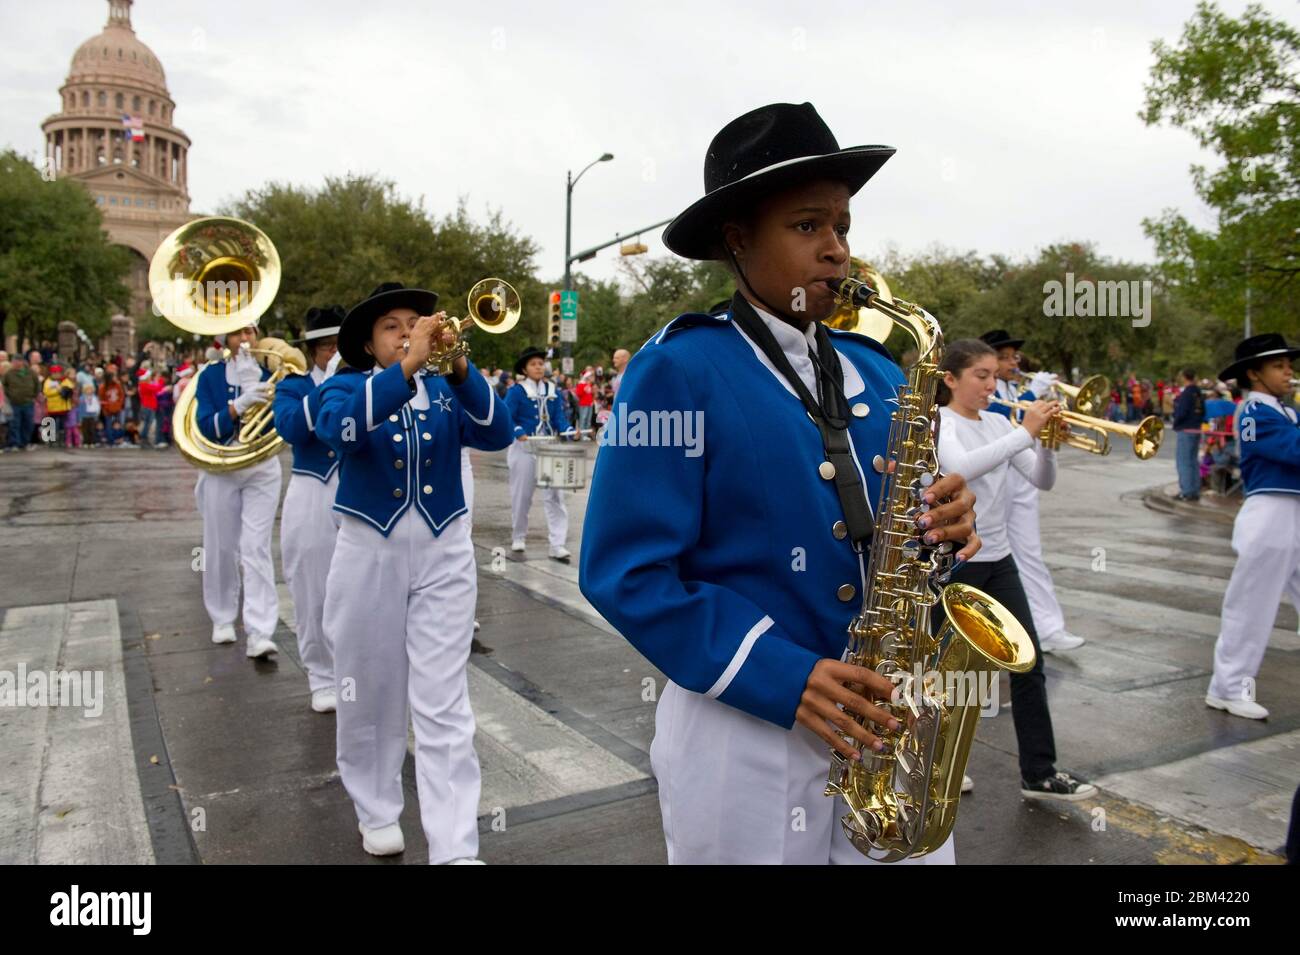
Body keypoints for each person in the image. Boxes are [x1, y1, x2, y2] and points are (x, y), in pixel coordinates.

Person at [580, 102, 980, 864]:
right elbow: (623, 572)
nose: (838, 252)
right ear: (737, 239)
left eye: (843, 227)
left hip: (888, 720)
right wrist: (783, 675)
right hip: (746, 733)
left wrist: (944, 531)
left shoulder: (884, 371)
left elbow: (901, 547)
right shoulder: (677, 369)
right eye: (808, 227)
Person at [316, 282, 512, 862]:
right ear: (370, 344)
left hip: (444, 550)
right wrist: (404, 368)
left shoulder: (448, 391)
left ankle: (455, 847)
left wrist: (459, 367)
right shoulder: (348, 387)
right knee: (369, 691)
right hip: (367, 552)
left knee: (444, 701)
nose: (407, 333)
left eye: (414, 323)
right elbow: (341, 432)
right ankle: (375, 808)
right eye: (392, 327)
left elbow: (498, 433)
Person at [935, 338, 1097, 802]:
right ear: (950, 379)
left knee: (1030, 663)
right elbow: (961, 468)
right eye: (980, 376)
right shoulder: (940, 424)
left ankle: (1039, 773)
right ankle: (938, 761)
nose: (992, 384)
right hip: (957, 562)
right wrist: (1025, 432)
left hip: (1000, 561)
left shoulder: (998, 422)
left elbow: (1041, 480)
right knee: (949, 673)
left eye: (994, 375)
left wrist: (1045, 444)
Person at [1207, 334, 1300, 720]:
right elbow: (1292, 450)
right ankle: (1228, 688)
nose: (1289, 371)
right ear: (1254, 374)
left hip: (1294, 509)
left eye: (1288, 364)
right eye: (1278, 366)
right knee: (1252, 606)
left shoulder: (1288, 410)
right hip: (1269, 512)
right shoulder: (1251, 413)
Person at [980, 329, 1085, 653]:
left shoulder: (1018, 386)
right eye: (1008, 356)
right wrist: (1031, 399)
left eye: (1015, 356)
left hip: (1021, 472)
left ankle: (1047, 628)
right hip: (995, 473)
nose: (1015, 361)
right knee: (991, 557)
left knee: (1028, 554)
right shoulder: (991, 388)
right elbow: (994, 419)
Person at [191, 324, 282, 658]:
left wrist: (261, 393)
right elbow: (205, 427)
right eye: (236, 334)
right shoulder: (211, 376)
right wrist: (239, 405)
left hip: (261, 467)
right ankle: (222, 616)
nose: (244, 340)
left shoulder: (269, 371)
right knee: (220, 545)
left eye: (249, 332)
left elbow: (280, 424)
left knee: (255, 546)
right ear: (225, 340)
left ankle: (260, 630)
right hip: (220, 466)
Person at [274, 306, 345, 714]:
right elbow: (291, 428)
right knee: (310, 584)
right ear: (313, 350)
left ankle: (357, 672)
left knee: (358, 588)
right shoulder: (295, 385)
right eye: (327, 346)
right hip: (312, 487)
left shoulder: (360, 381)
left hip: (354, 486)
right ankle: (321, 675)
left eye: (339, 345)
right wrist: (328, 388)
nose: (334, 352)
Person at [504, 346, 572, 562]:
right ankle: (519, 536)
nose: (538, 367)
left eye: (541, 364)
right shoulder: (517, 391)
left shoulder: (554, 391)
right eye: (534, 364)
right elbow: (507, 416)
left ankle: (557, 544)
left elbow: (559, 419)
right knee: (522, 495)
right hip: (524, 447)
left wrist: (569, 430)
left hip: (549, 445)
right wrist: (518, 431)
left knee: (555, 496)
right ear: (525, 368)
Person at [1172, 368, 1205, 501]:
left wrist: (1177, 420)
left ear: (1184, 377)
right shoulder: (1198, 392)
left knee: (1184, 461)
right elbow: (1202, 410)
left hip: (1185, 428)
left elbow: (1182, 411)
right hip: (1195, 427)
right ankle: (1194, 489)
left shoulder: (1187, 393)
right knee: (1193, 460)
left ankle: (1186, 490)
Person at [3, 355, 38, 452]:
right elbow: (4, 386)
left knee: (28, 423)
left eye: (17, 361)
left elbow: (37, 385)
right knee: (15, 424)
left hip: (28, 402)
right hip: (14, 403)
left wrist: (34, 396)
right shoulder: (9, 373)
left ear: (22, 362)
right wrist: (10, 396)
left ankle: (25, 443)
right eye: (14, 362)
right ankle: (15, 443)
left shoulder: (31, 373)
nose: (15, 363)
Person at [99, 367, 126, 446]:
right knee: (108, 425)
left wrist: (119, 405)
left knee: (118, 424)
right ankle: (110, 440)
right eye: (114, 376)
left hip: (117, 408)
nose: (115, 378)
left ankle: (118, 439)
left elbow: (121, 395)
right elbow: (101, 399)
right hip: (108, 409)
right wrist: (106, 407)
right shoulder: (103, 387)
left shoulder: (117, 385)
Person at [79, 383, 100, 447]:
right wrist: (80, 417)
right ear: (84, 390)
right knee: (85, 430)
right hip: (85, 416)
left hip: (92, 415)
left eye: (90, 389)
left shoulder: (95, 397)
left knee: (92, 430)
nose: (89, 391)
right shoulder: (82, 398)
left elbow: (97, 406)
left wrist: (97, 414)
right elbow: (80, 408)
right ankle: (85, 442)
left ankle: (92, 442)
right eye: (87, 389)